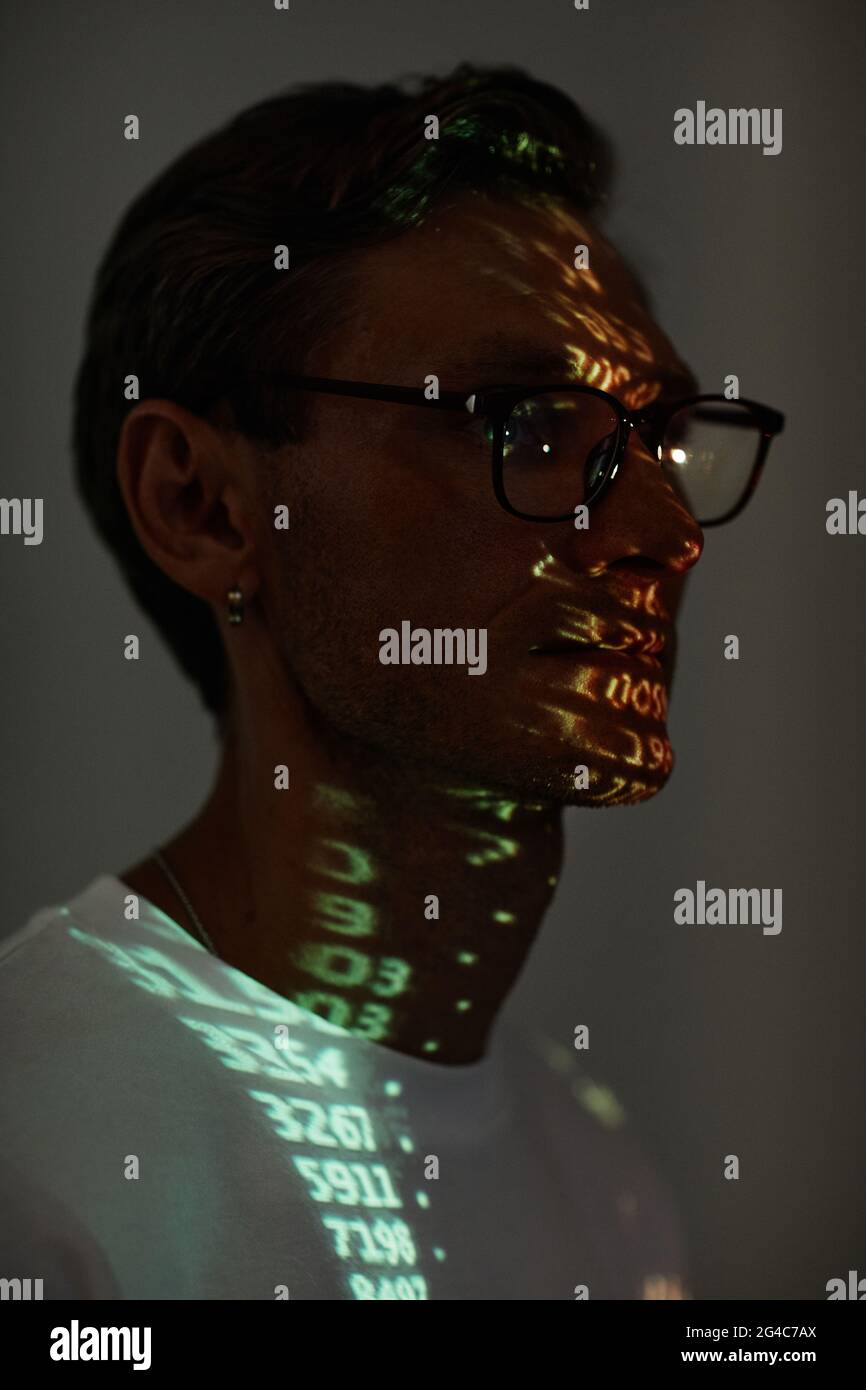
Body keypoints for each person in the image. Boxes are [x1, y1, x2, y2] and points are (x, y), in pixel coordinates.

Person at [0, 63, 783, 1300]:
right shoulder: (40, 1156)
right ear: (199, 506)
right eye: (525, 424)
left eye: (661, 441)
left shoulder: (601, 1169)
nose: (663, 531)